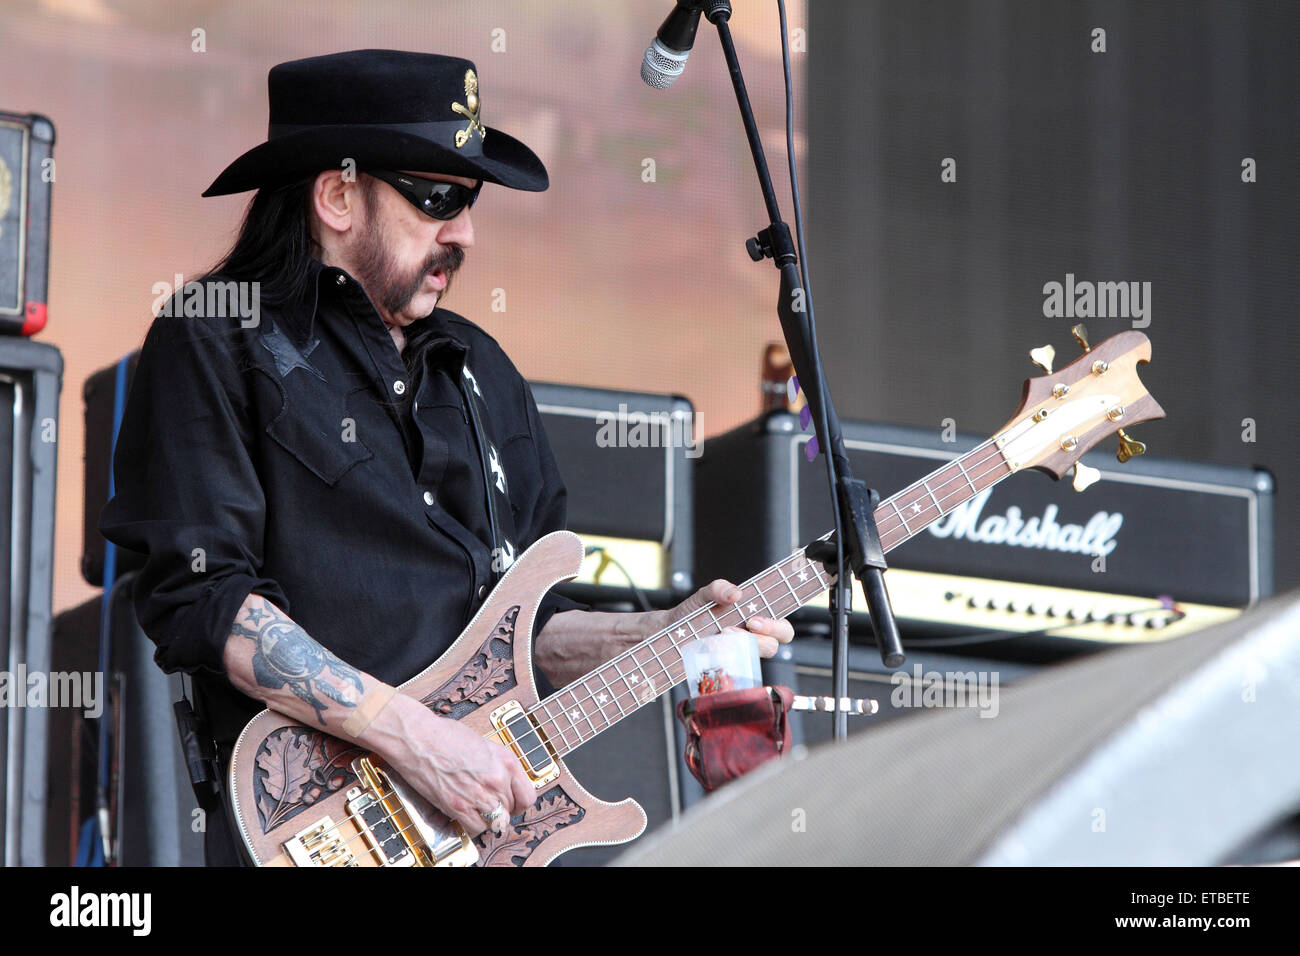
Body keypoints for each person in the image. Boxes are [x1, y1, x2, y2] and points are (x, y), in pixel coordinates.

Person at [99, 49, 793, 866]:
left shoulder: (481, 370)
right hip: (319, 832)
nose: (462, 231)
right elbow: (206, 600)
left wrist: (660, 636)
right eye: (436, 199)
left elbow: (527, 631)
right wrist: (420, 742)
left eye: (470, 203)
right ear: (336, 195)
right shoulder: (216, 340)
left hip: (485, 836)